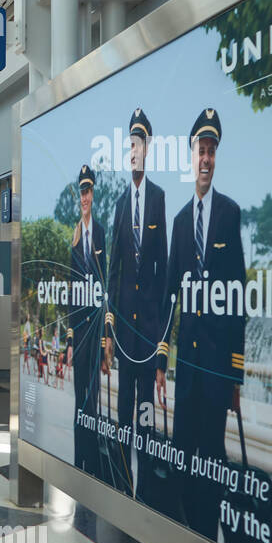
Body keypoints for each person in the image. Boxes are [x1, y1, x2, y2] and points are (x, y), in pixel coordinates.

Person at [156, 109, 245, 540]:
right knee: (182, 456)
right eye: (200, 150)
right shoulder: (178, 222)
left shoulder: (230, 214)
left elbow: (239, 298)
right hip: (187, 371)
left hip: (215, 374)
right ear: (191, 156)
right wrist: (160, 360)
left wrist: (237, 376)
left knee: (212, 458)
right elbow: (170, 295)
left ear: (215, 157)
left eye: (211, 151)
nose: (205, 158)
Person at [106, 108, 168, 495]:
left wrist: (162, 355)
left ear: (147, 149)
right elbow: (112, 274)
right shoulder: (118, 206)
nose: (134, 150)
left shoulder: (159, 199)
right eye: (129, 143)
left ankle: (144, 494)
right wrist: (109, 333)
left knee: (145, 421)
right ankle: (119, 487)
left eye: (139, 143)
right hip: (124, 336)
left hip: (147, 340)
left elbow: (162, 279)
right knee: (121, 417)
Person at [67, 164, 109, 471]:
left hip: (95, 335)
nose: (85, 197)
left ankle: (92, 462)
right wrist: (69, 339)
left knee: (92, 400)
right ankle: (78, 457)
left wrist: (107, 338)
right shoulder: (75, 237)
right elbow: (71, 291)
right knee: (78, 398)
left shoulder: (101, 233)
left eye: (88, 191)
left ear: (94, 194)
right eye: (81, 192)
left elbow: (105, 286)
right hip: (79, 335)